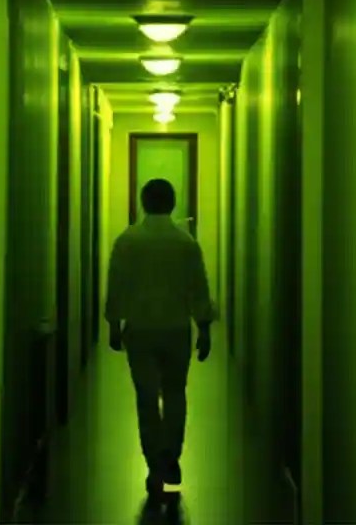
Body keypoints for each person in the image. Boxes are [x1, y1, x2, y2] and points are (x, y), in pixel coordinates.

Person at [106, 178, 215, 498]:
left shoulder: (127, 241)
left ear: (143, 202)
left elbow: (117, 286)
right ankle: (171, 456)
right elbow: (199, 287)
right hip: (176, 329)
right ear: (172, 203)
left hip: (139, 330)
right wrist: (204, 327)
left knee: (146, 398)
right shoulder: (185, 243)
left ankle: (153, 463)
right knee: (175, 393)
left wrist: (114, 323)